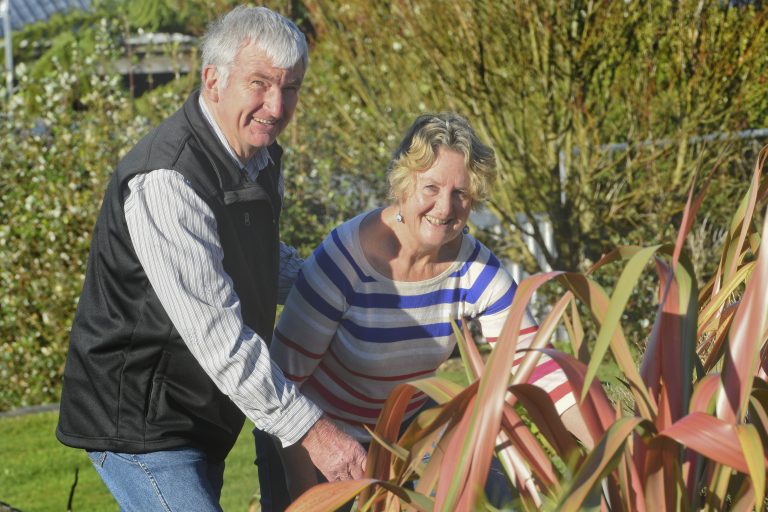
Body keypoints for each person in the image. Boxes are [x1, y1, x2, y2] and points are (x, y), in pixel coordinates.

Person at [55, 6, 366, 510]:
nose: (275, 105)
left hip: (200, 412)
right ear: (213, 80)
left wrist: (350, 285)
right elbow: (219, 339)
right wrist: (314, 432)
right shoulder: (168, 179)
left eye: (290, 89)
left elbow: (262, 261)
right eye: (260, 83)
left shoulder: (257, 157)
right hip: (140, 420)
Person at [260, 112, 585, 508]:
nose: (445, 207)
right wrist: (304, 494)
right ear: (403, 184)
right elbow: (282, 382)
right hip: (315, 436)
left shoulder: (475, 269)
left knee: (491, 487)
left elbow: (538, 366)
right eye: (430, 187)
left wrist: (609, 449)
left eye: (460, 193)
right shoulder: (345, 262)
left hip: (407, 434)